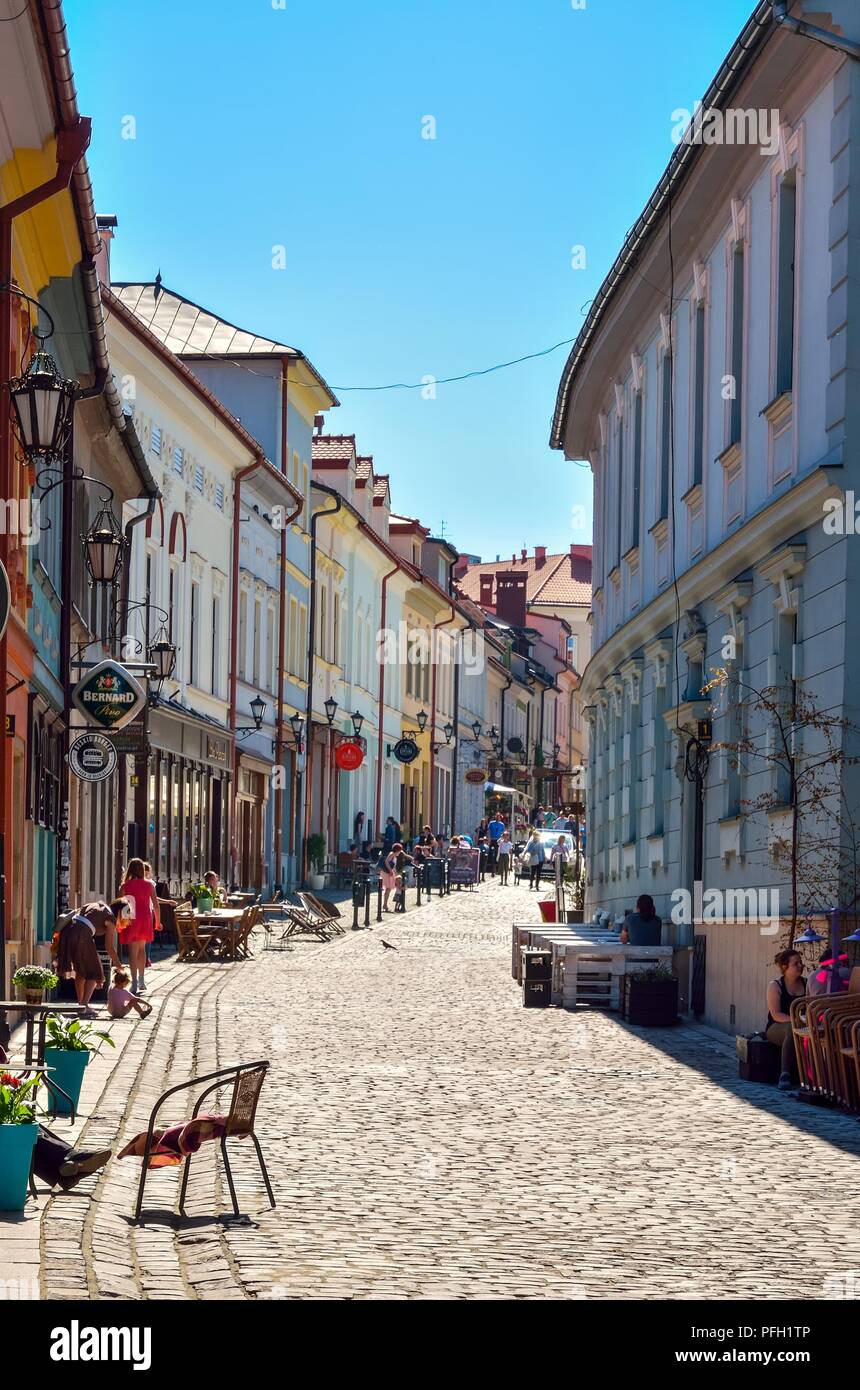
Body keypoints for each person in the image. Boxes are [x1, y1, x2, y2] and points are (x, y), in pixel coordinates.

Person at [55, 900, 128, 1016]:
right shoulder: (111, 918)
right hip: (82, 934)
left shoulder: (97, 905)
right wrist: (119, 965)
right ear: (120, 912)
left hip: (68, 931)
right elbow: (109, 946)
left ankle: (81, 1005)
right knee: (94, 971)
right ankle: (84, 1005)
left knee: (81, 971)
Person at [118, 858, 160, 996]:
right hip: (145, 918)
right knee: (142, 949)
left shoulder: (124, 886)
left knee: (132, 951)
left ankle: (134, 982)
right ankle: (142, 979)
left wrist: (121, 922)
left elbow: (121, 905)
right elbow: (156, 904)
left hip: (131, 917)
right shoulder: (149, 885)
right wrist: (158, 922)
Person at [766, 949, 806, 1091]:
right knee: (791, 1029)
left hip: (804, 1025)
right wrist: (796, 1021)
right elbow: (776, 1014)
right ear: (785, 967)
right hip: (777, 1027)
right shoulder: (776, 986)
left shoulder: (806, 983)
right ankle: (785, 1074)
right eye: (796, 963)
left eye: (801, 962)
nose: (801, 966)